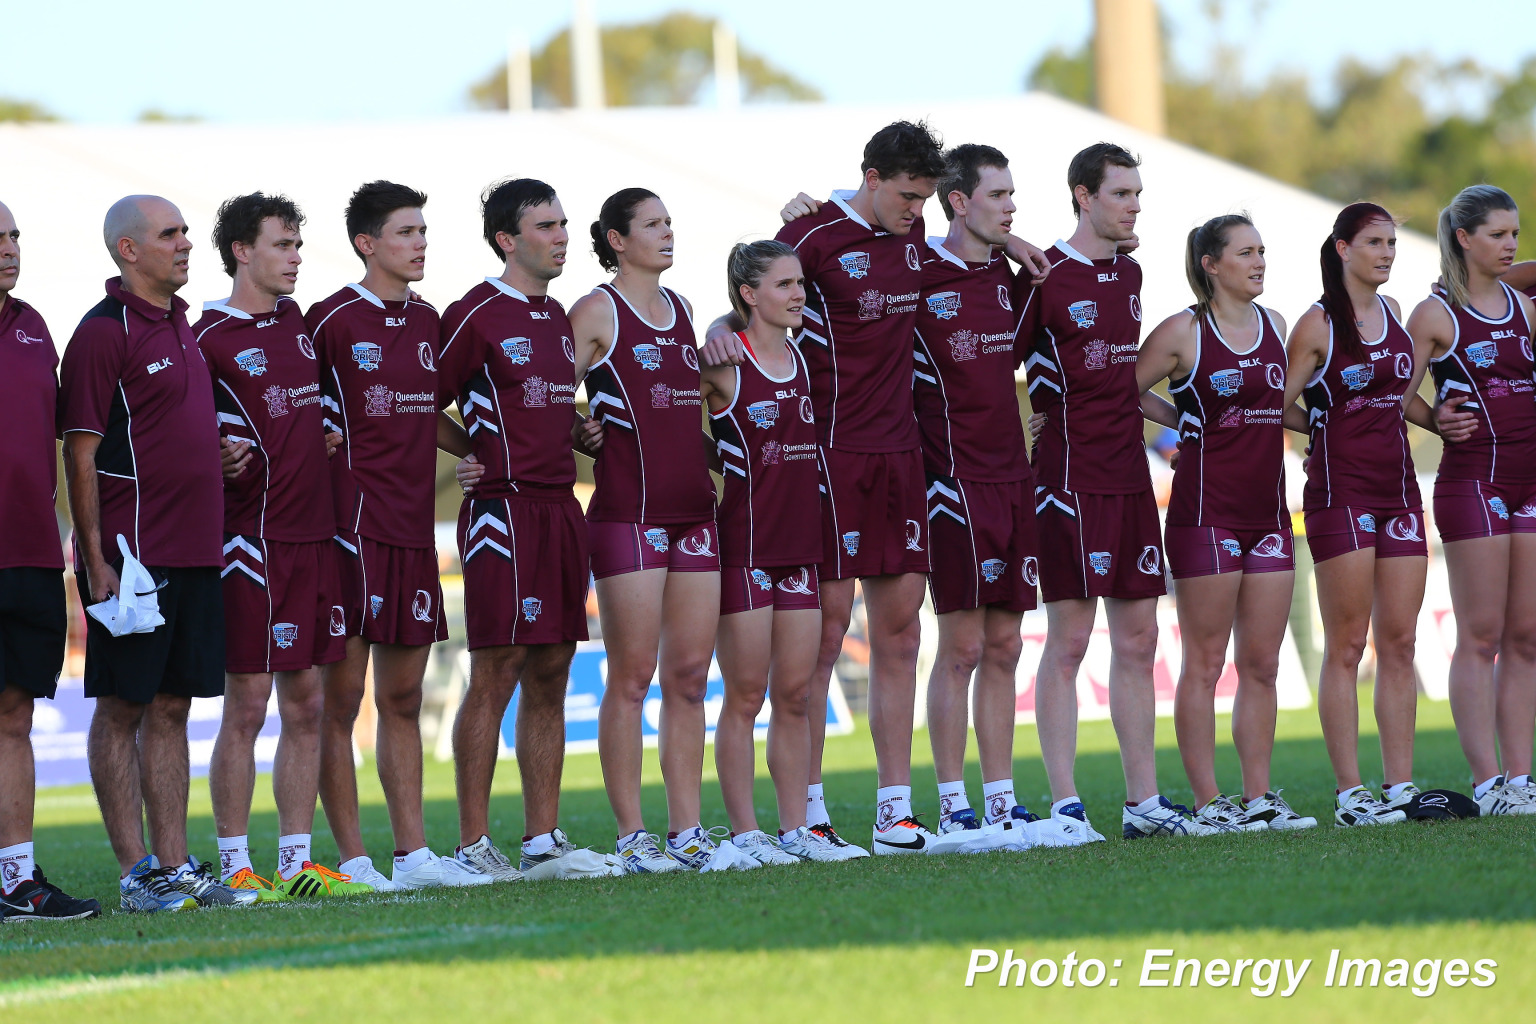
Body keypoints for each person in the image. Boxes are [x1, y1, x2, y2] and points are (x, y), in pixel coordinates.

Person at [59, 195, 253, 910]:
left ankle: (174, 862)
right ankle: (136, 870)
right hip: (133, 559)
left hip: (197, 550)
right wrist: (98, 559)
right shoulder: (101, 333)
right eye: (169, 234)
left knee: (171, 707)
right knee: (121, 706)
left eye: (184, 233)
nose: (185, 244)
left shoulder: (182, 327)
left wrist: (219, 455)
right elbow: (80, 456)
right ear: (128, 251)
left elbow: (168, 433)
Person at [1015, 143, 1208, 840]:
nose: (1134, 206)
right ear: (1084, 196)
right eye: (1121, 194)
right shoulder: (1039, 274)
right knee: (1068, 641)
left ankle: (1143, 805)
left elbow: (1126, 385)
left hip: (1129, 477)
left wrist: (1184, 424)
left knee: (1139, 639)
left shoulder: (1130, 272)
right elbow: (984, 366)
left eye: (1137, 194)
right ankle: (1066, 806)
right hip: (1066, 479)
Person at [308, 182, 490, 890]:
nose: (420, 243)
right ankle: (353, 858)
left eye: (423, 231)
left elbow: (427, 410)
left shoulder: (432, 322)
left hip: (414, 533)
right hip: (350, 531)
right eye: (406, 232)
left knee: (404, 701)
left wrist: (472, 447)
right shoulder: (329, 320)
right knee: (340, 701)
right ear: (367, 243)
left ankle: (412, 855)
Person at [438, 178, 620, 879]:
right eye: (547, 226)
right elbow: (426, 405)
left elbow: (536, 405)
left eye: (565, 224)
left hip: (558, 513)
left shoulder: (556, 320)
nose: (563, 236)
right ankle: (471, 844)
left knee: (553, 670)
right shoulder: (475, 312)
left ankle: (543, 842)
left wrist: (577, 431)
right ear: (508, 239)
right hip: (502, 517)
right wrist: (475, 454)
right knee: (498, 671)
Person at [196, 193, 373, 899]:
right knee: (247, 706)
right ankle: (235, 863)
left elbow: (316, 401)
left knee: (309, 707)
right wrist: (215, 448)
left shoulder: (297, 323)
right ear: (242, 251)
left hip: (315, 540)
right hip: (253, 546)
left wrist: (324, 428)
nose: (295, 257)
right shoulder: (206, 334)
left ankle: (297, 864)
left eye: (298, 245)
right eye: (281, 245)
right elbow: (177, 428)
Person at [1281, 202, 1469, 826]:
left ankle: (1398, 786)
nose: (1387, 252)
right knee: (1346, 644)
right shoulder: (1314, 325)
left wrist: (1437, 420)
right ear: (1342, 249)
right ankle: (1350, 794)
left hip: (1398, 492)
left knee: (1401, 640)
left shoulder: (1394, 314)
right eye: (1374, 242)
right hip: (1340, 494)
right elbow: (1274, 401)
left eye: (1391, 242)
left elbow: (1402, 396)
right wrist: (1323, 430)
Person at [1134, 214, 1316, 832]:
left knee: (1261, 664)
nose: (1260, 261)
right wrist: (1177, 422)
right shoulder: (1184, 331)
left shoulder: (1278, 326)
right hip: (1203, 518)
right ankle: (1211, 803)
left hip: (1269, 517)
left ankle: (1259, 796)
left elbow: (1279, 408)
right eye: (1246, 252)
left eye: (1262, 250)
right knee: (1205, 665)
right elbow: (1123, 387)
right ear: (1212, 265)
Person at [569, 189, 726, 872]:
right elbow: (541, 393)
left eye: (670, 222)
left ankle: (687, 831)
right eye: (653, 225)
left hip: (693, 510)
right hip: (628, 516)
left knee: (690, 678)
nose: (667, 233)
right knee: (632, 678)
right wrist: (575, 430)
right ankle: (634, 837)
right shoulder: (596, 310)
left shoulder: (685, 310)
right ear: (616, 239)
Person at [908, 145, 1047, 841]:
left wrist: (1016, 248)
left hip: (1013, 479)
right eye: (998, 195)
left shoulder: (1011, 275)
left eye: (1013, 195)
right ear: (959, 200)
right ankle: (952, 801)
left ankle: (1000, 799)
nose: (1011, 206)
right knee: (959, 645)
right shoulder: (917, 268)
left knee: (1006, 645)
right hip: (951, 485)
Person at [701, 241, 841, 863]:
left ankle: (795, 831)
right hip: (746, 550)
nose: (798, 294)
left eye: (800, 284)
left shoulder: (809, 355)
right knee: (746, 696)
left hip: (801, 548)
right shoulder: (725, 366)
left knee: (797, 695)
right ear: (748, 295)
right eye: (783, 285)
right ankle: (746, 833)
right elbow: (661, 425)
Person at [1407, 185, 1536, 815]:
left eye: (1515, 233)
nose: (1511, 243)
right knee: (1480, 634)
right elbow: (1391, 389)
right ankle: (1488, 784)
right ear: (1464, 237)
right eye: (1498, 234)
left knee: (1527, 635)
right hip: (1473, 485)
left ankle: (1521, 777)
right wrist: (1436, 421)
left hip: (1529, 484)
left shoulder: (1524, 307)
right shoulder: (1436, 314)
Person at [0, 200, 101, 922]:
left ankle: (15, 878)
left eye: (13, 236)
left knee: (13, 718)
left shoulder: (34, 325)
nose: (9, 249)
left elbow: (75, 435)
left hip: (30, 554)